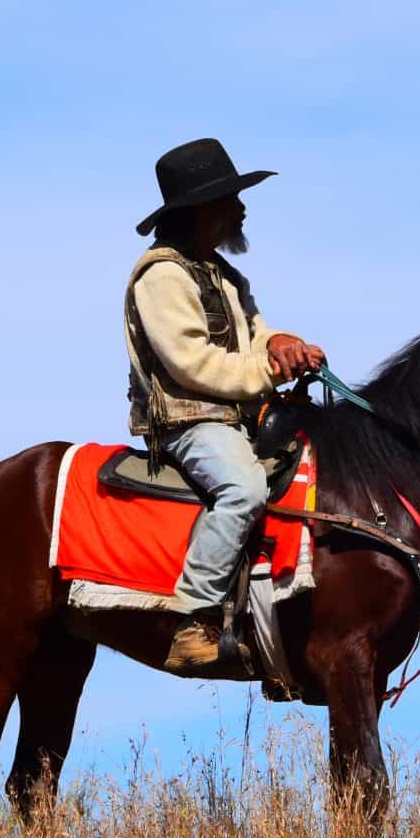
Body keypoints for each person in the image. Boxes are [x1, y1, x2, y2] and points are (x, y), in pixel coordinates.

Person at [123, 138, 327, 673]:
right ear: (197, 211)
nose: (241, 208)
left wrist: (284, 343)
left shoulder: (225, 275)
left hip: (240, 416)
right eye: (228, 198)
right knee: (243, 489)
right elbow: (191, 363)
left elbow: (256, 332)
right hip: (192, 423)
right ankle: (195, 618)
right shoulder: (162, 276)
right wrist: (266, 370)